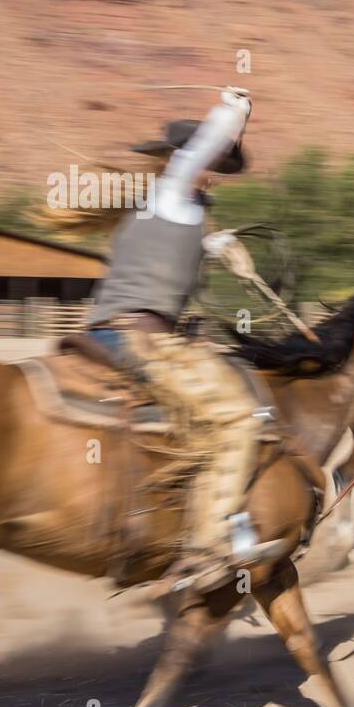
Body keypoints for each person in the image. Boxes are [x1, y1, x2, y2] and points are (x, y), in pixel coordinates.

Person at [85, 87, 273, 591]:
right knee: (237, 418)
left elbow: (178, 243)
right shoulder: (172, 190)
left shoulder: (159, 210)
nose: (212, 174)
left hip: (111, 333)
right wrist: (236, 111)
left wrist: (219, 246)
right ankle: (207, 550)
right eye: (211, 163)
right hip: (142, 340)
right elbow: (198, 154)